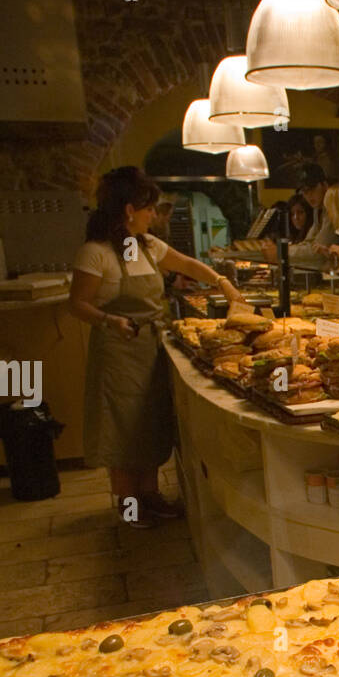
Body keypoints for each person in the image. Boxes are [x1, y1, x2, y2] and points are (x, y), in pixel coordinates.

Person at [69, 165, 245, 527]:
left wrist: (221, 281)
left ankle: (151, 497)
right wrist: (110, 320)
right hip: (118, 352)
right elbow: (77, 304)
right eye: (149, 208)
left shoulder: (146, 245)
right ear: (130, 210)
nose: (154, 214)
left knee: (148, 428)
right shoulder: (96, 252)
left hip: (150, 346)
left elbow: (186, 264)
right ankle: (130, 509)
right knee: (122, 434)